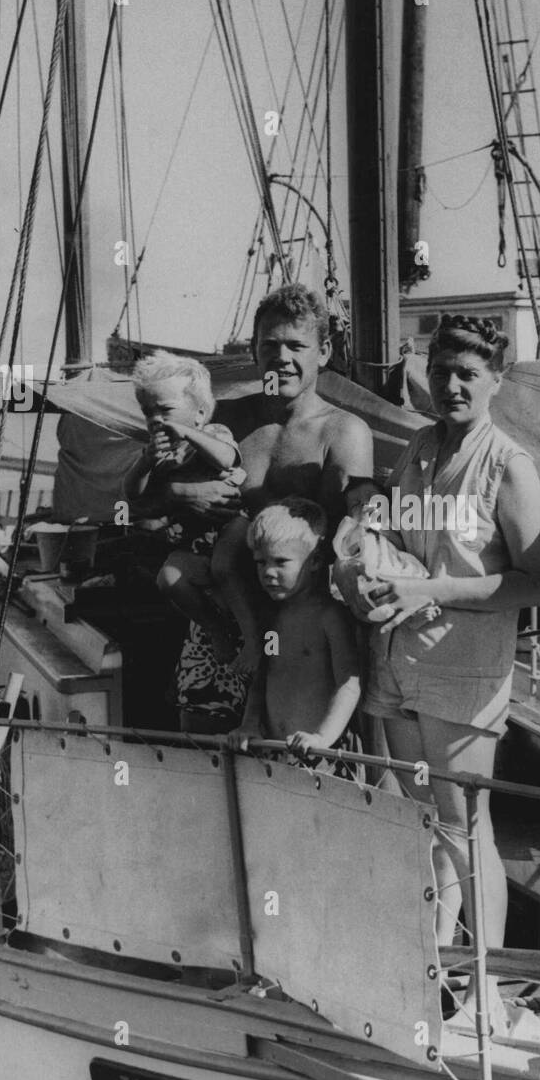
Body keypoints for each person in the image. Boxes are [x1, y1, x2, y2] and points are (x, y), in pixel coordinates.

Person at [361, 313, 540, 1028]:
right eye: (441, 371)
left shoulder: (509, 465)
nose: (451, 385)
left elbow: (534, 582)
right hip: (399, 661)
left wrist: (429, 591)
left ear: (497, 381)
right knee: (423, 821)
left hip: (463, 669)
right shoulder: (417, 449)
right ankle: (434, 962)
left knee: (469, 828)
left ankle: (488, 990)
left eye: (468, 374)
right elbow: (398, 533)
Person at [174, 284, 374, 730]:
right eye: (270, 344)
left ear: (323, 351)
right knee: (200, 753)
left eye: (296, 345)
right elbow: (152, 494)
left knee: (296, 764)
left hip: (301, 629)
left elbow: (355, 542)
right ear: (254, 350)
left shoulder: (344, 433)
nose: (281, 356)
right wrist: (184, 495)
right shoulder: (225, 420)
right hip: (222, 621)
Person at [123, 351, 258, 673]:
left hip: (231, 526)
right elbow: (133, 497)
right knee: (169, 579)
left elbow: (227, 459)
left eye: (166, 410)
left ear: (199, 414)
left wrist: (190, 436)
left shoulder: (213, 433)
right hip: (194, 540)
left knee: (226, 568)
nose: (156, 419)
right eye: (148, 412)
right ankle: (215, 628)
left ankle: (253, 641)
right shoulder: (157, 455)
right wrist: (144, 462)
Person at [232, 498, 361, 759]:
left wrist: (322, 737)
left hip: (321, 753)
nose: (268, 572)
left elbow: (349, 684)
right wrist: (249, 725)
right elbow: (262, 677)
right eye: (260, 562)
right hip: (274, 751)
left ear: (314, 561)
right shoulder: (270, 618)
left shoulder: (330, 616)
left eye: (280, 562)